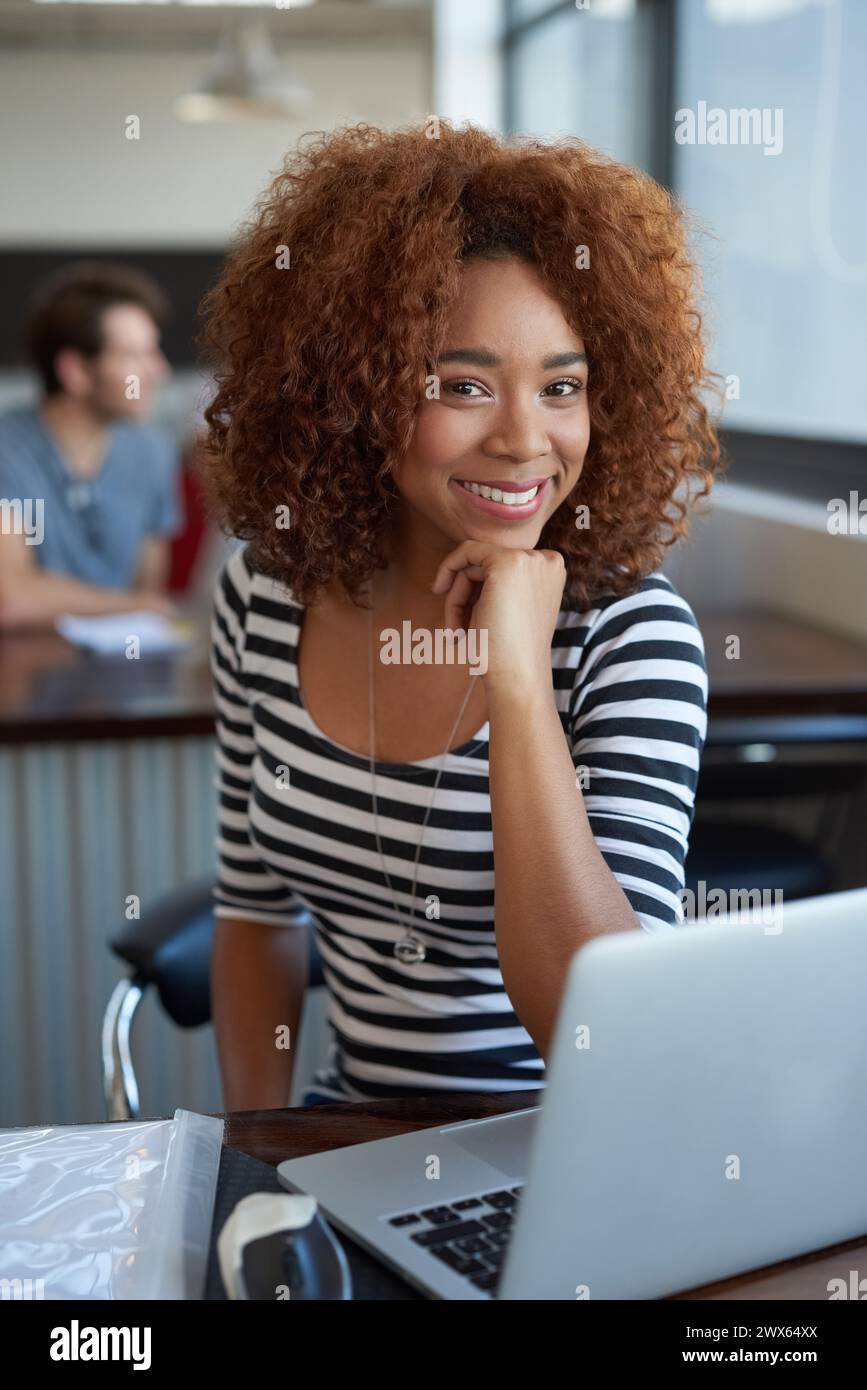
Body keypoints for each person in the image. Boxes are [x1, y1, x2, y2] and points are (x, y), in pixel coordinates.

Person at [199, 121, 724, 1112]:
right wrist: (253, 1147)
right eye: (463, 385)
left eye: (561, 386)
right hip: (343, 1146)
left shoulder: (628, 636)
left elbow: (599, 1032)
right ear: (349, 393)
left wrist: (520, 680)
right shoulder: (264, 597)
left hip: (562, 1160)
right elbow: (254, 912)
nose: (527, 440)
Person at [0, 261, 182, 632]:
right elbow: (11, 599)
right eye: (135, 355)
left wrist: (138, 608)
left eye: (155, 351)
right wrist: (133, 607)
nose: (159, 370)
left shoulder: (152, 453)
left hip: (121, 672)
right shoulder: (9, 452)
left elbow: (147, 596)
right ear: (76, 371)